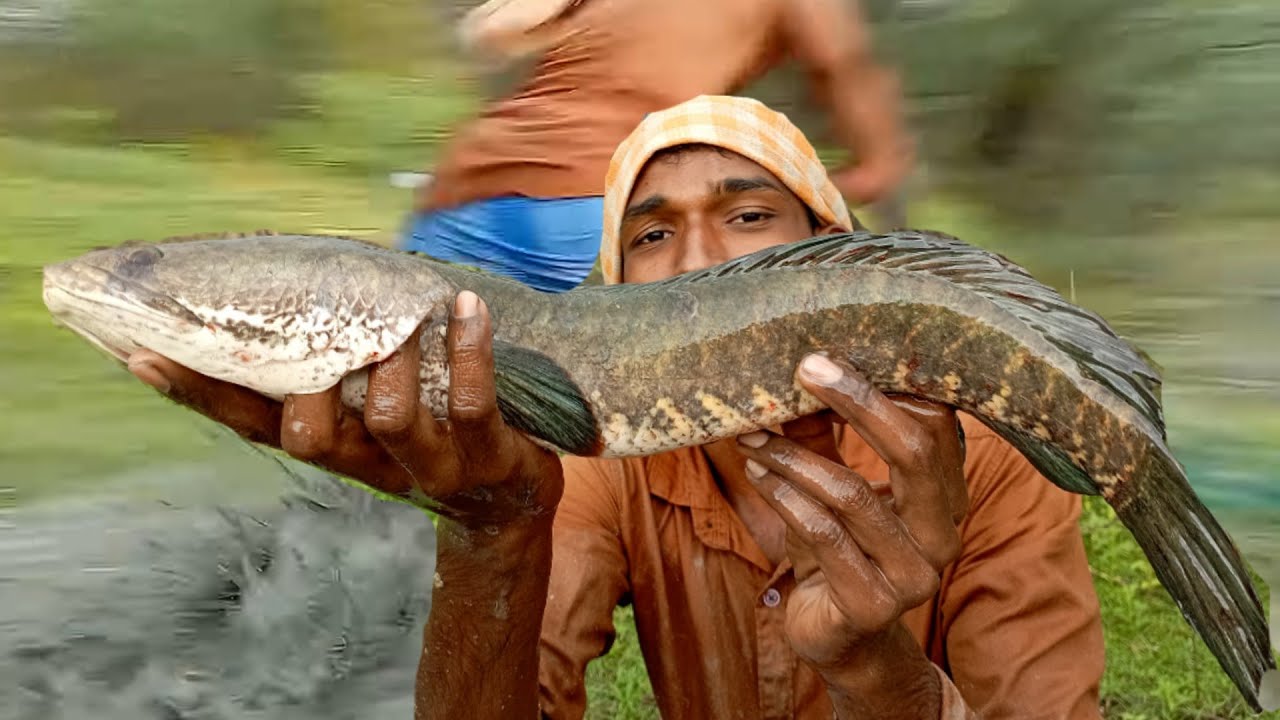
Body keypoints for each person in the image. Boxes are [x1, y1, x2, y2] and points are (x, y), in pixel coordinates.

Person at [125, 95, 1105, 719]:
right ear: (620, 290)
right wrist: (487, 534)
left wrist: (878, 675)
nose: (699, 259)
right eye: (649, 235)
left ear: (830, 254)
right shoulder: (596, 459)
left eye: (750, 215)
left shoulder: (988, 460)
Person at [402, 0, 911, 292]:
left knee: (417, 392)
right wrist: (875, 165)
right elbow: (841, 63)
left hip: (468, 184)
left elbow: (496, 34)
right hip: (596, 205)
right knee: (601, 425)